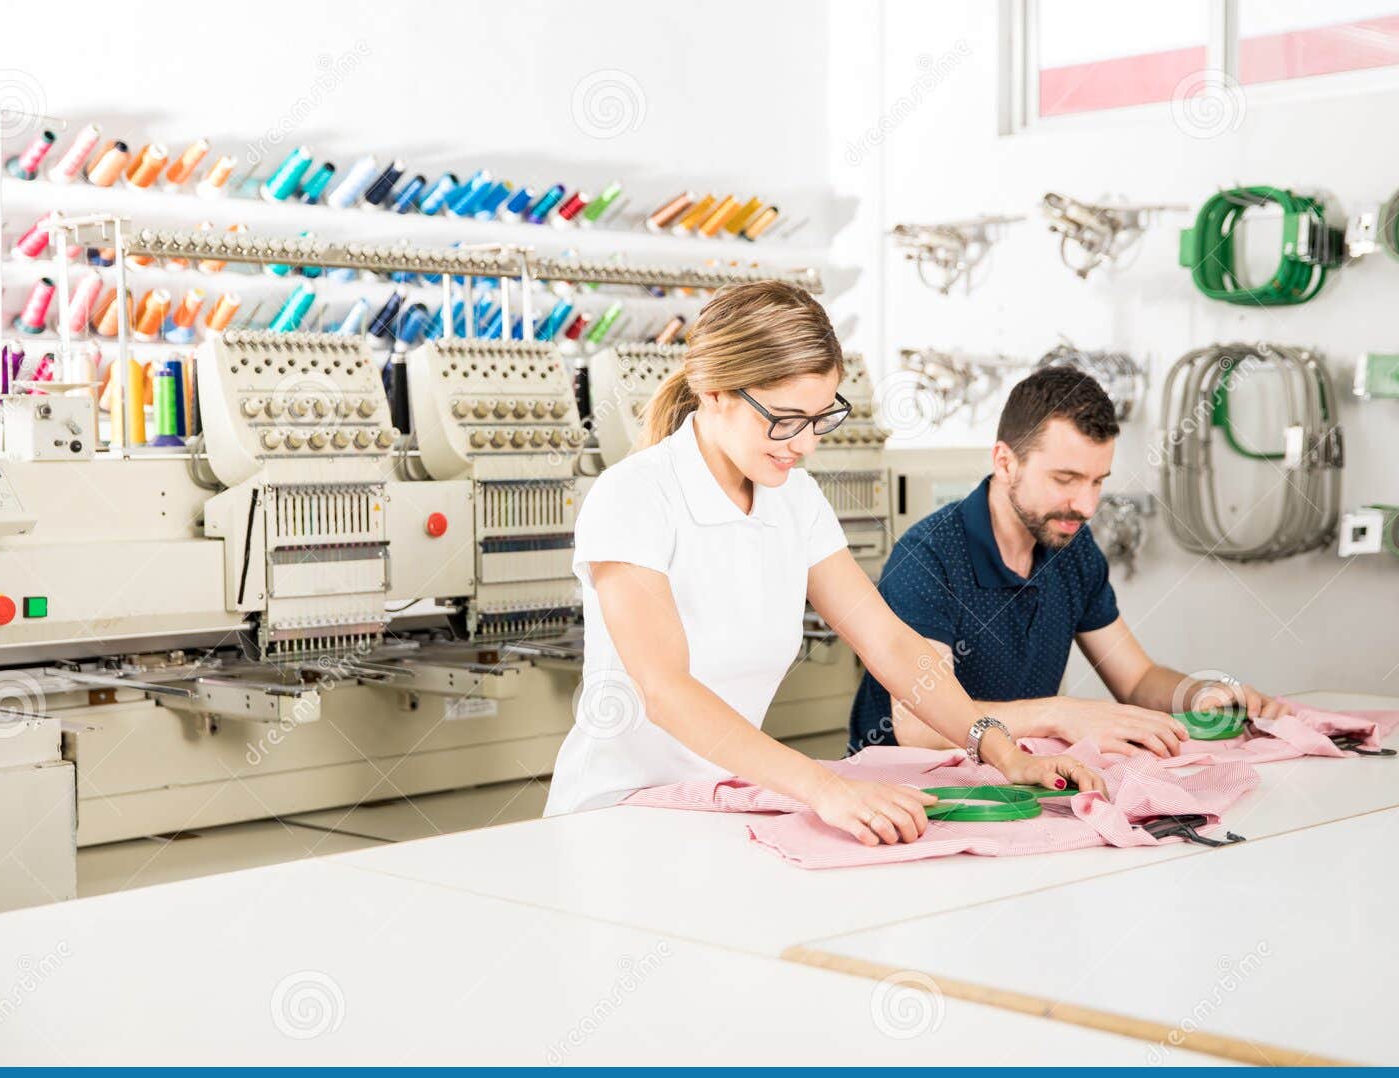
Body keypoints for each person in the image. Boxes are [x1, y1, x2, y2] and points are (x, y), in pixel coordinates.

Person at [545, 282, 1100, 845]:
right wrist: (823, 787)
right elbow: (665, 690)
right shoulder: (634, 496)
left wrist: (1003, 751)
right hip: (616, 815)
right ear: (714, 392)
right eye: (785, 419)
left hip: (724, 805)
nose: (806, 443)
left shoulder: (796, 498)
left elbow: (889, 644)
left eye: (819, 418)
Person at [848, 366, 1286, 758]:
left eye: (1098, 481)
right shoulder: (928, 558)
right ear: (1005, 462)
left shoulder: (1071, 547)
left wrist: (1200, 694)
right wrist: (1059, 715)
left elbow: (1136, 680)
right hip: (909, 794)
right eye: (1066, 479)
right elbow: (921, 727)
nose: (1087, 504)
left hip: (1019, 783)